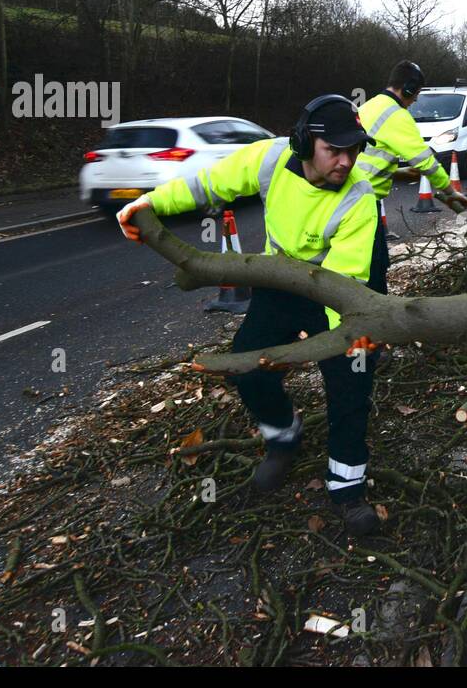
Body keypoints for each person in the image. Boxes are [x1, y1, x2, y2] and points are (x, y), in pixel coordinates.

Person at [115, 95, 384, 535]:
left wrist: (349, 339)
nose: (345, 161)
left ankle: (347, 490)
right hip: (279, 280)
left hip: (335, 291)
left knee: (351, 381)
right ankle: (283, 437)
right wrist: (148, 204)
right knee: (248, 365)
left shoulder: (359, 198)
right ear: (303, 143)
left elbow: (346, 282)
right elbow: (205, 185)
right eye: (334, 150)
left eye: (353, 150)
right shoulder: (270, 159)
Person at [354, 60, 467, 293]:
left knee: (374, 263)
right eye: (415, 94)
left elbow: (366, 157)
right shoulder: (396, 115)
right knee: (373, 270)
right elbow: (426, 162)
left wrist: (398, 173)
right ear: (407, 89)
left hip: (353, 194)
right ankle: (375, 316)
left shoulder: (370, 105)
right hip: (362, 203)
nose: (416, 100)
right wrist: (451, 192)